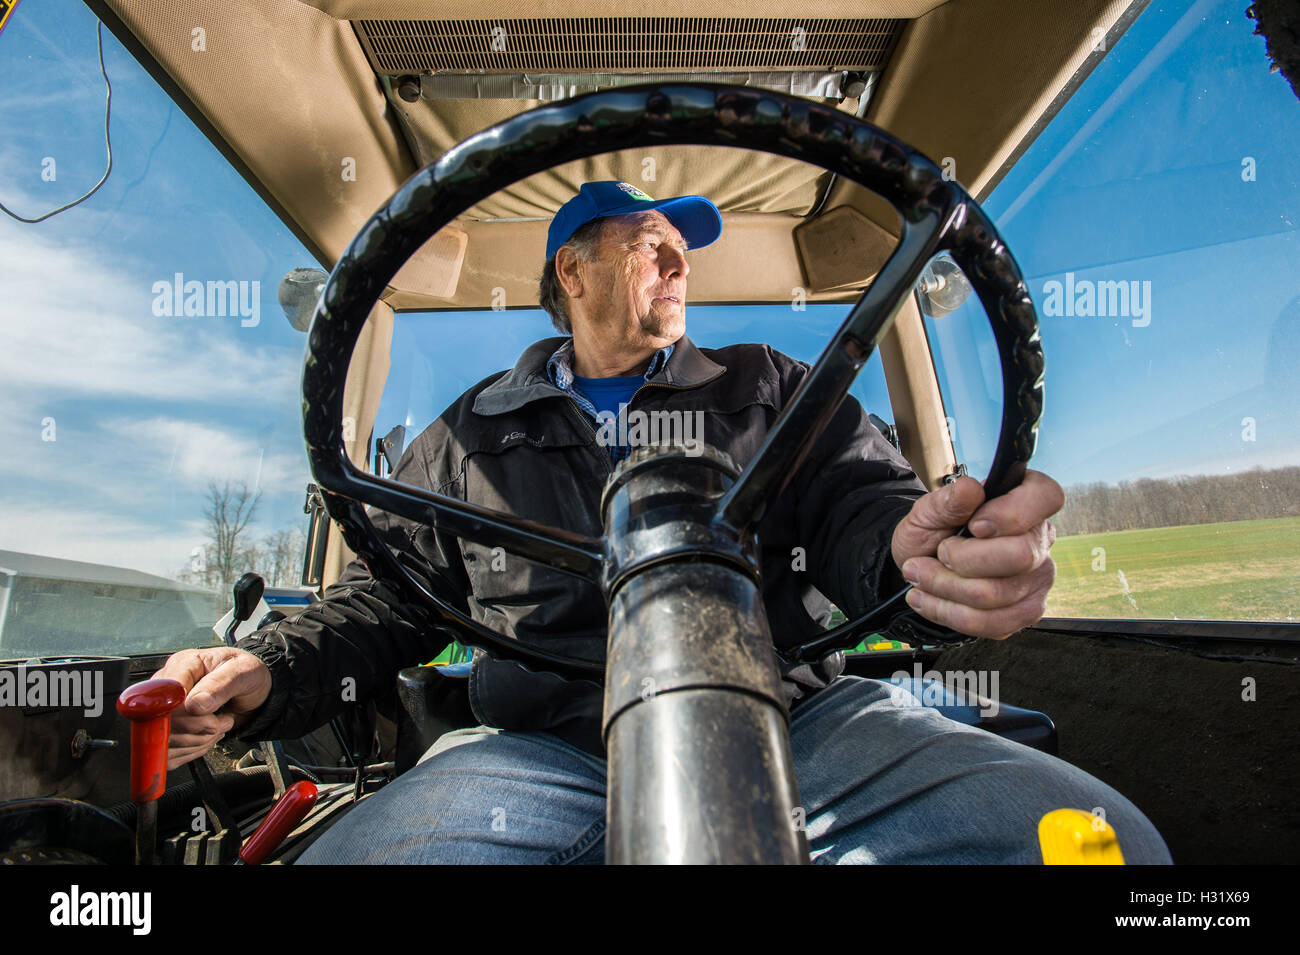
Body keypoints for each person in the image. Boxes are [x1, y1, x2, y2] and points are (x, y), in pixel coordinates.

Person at [154, 181, 1171, 864]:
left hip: (796, 723)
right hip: (543, 750)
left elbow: (867, 513)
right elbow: (391, 599)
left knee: (1094, 840)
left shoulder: (768, 389)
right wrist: (274, 671)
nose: (682, 268)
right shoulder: (467, 437)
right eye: (654, 249)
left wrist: (926, 563)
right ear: (573, 271)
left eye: (684, 254)